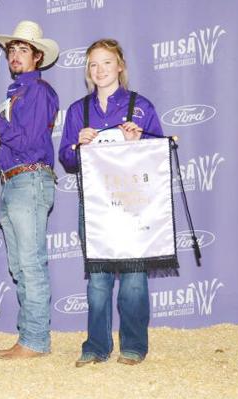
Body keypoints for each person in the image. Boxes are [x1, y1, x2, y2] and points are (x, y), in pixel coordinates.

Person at [58, 38, 164, 367]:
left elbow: (160, 153)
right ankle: (96, 346)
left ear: (120, 66)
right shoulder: (78, 110)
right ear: (87, 71)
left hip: (133, 203)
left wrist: (138, 142)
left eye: (106, 62)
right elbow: (65, 159)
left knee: (134, 279)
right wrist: (77, 145)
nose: (100, 69)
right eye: (93, 64)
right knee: (98, 280)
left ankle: (133, 345)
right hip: (95, 206)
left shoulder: (142, 106)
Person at [0, 20, 60, 360]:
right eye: (12, 50)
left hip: (30, 179)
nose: (15, 55)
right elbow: (12, 138)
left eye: (23, 50)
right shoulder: (16, 94)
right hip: (13, 180)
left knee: (30, 264)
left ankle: (36, 341)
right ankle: (28, 337)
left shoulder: (38, 91)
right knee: (20, 266)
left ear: (38, 57)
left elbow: (27, 140)